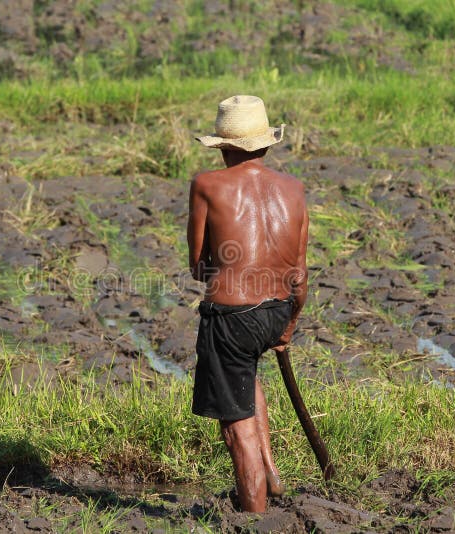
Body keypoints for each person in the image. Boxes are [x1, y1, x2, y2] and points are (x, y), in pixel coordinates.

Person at [187, 95, 309, 513]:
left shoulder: (207, 185)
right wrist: (287, 326)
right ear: (266, 144)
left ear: (222, 146)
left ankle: (255, 517)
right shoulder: (294, 189)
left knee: (236, 432)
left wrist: (225, 273)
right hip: (277, 310)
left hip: (230, 316)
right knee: (245, 373)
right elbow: (300, 275)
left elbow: (198, 267)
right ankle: (270, 471)